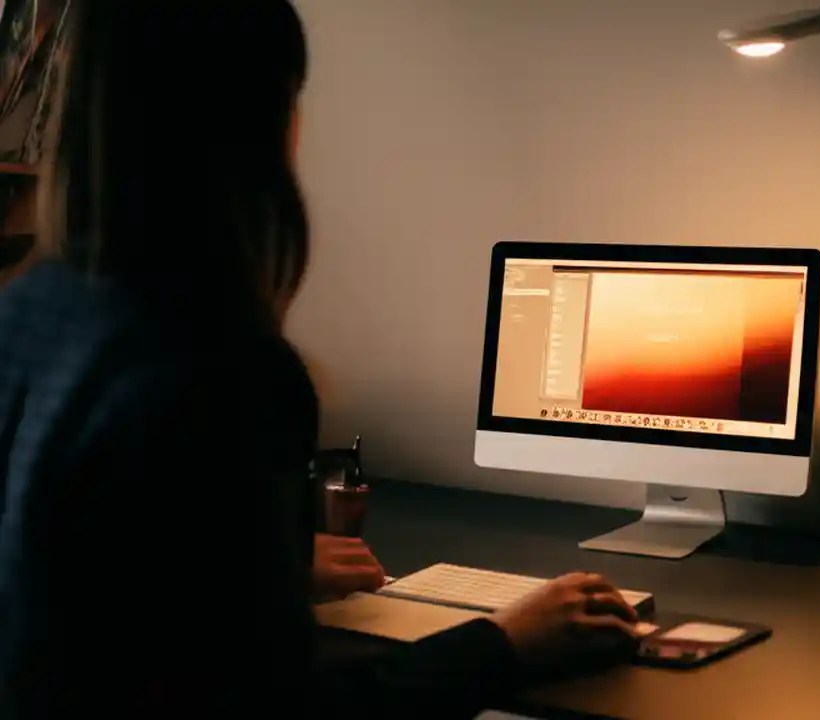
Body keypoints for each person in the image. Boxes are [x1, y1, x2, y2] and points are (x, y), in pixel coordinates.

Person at [0, 1, 638, 717]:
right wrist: (506, 643)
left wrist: (249, 574)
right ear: (260, 128)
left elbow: (70, 579)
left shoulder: (24, 315)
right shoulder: (224, 374)